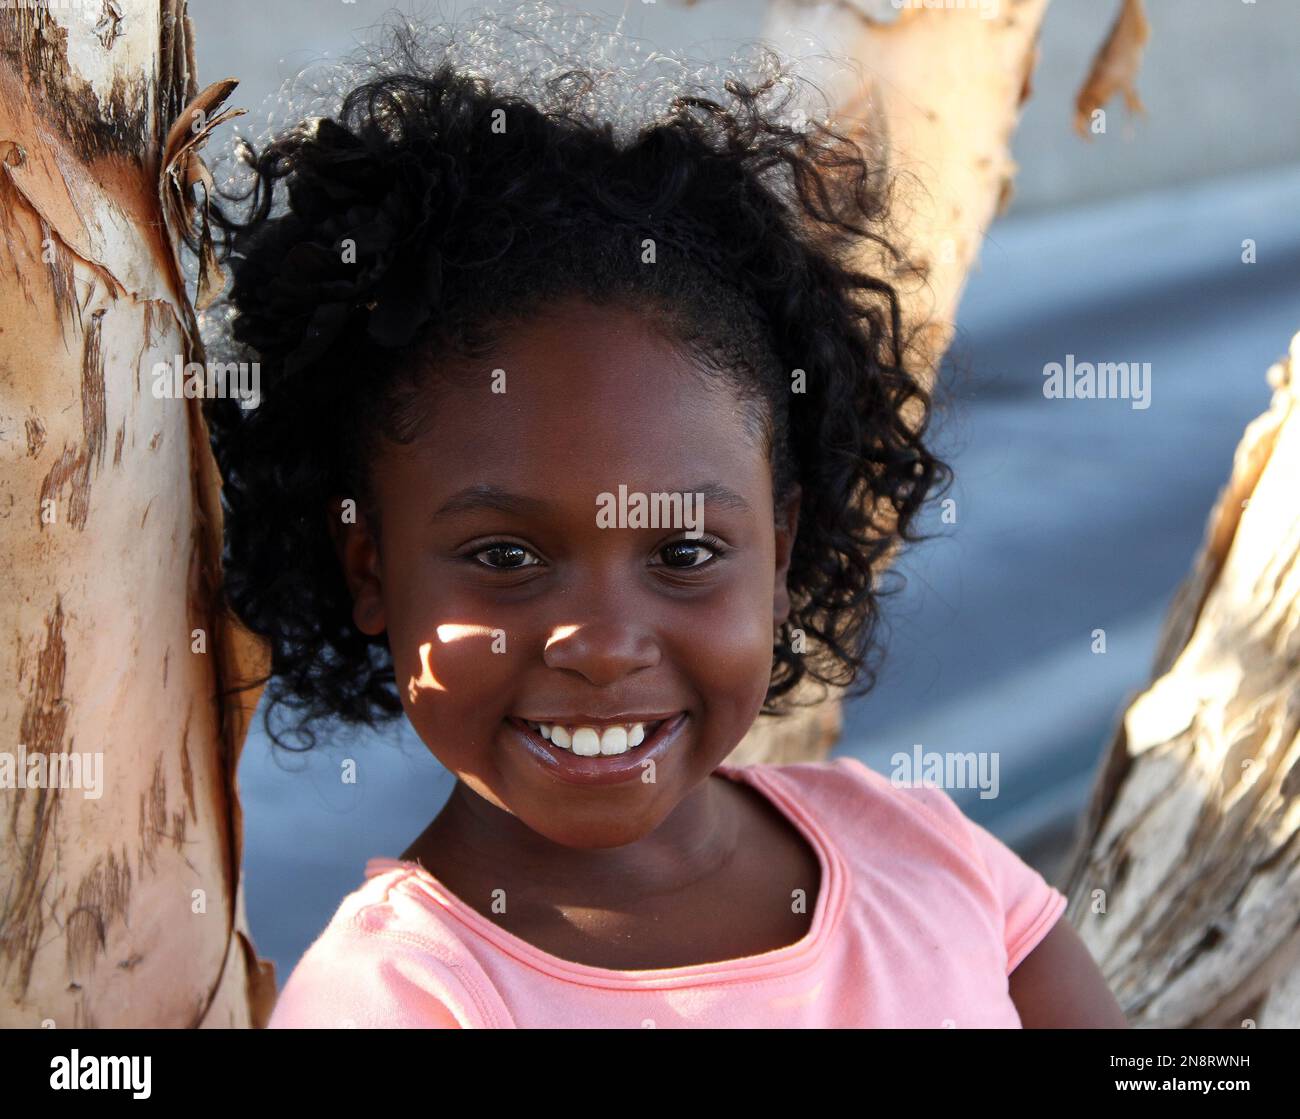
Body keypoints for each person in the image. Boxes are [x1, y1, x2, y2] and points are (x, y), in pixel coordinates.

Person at [203, 26, 1128, 1028]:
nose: (601, 646)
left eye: (683, 553)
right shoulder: (400, 1000)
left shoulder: (921, 852)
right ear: (369, 567)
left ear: (778, 553)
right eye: (505, 556)